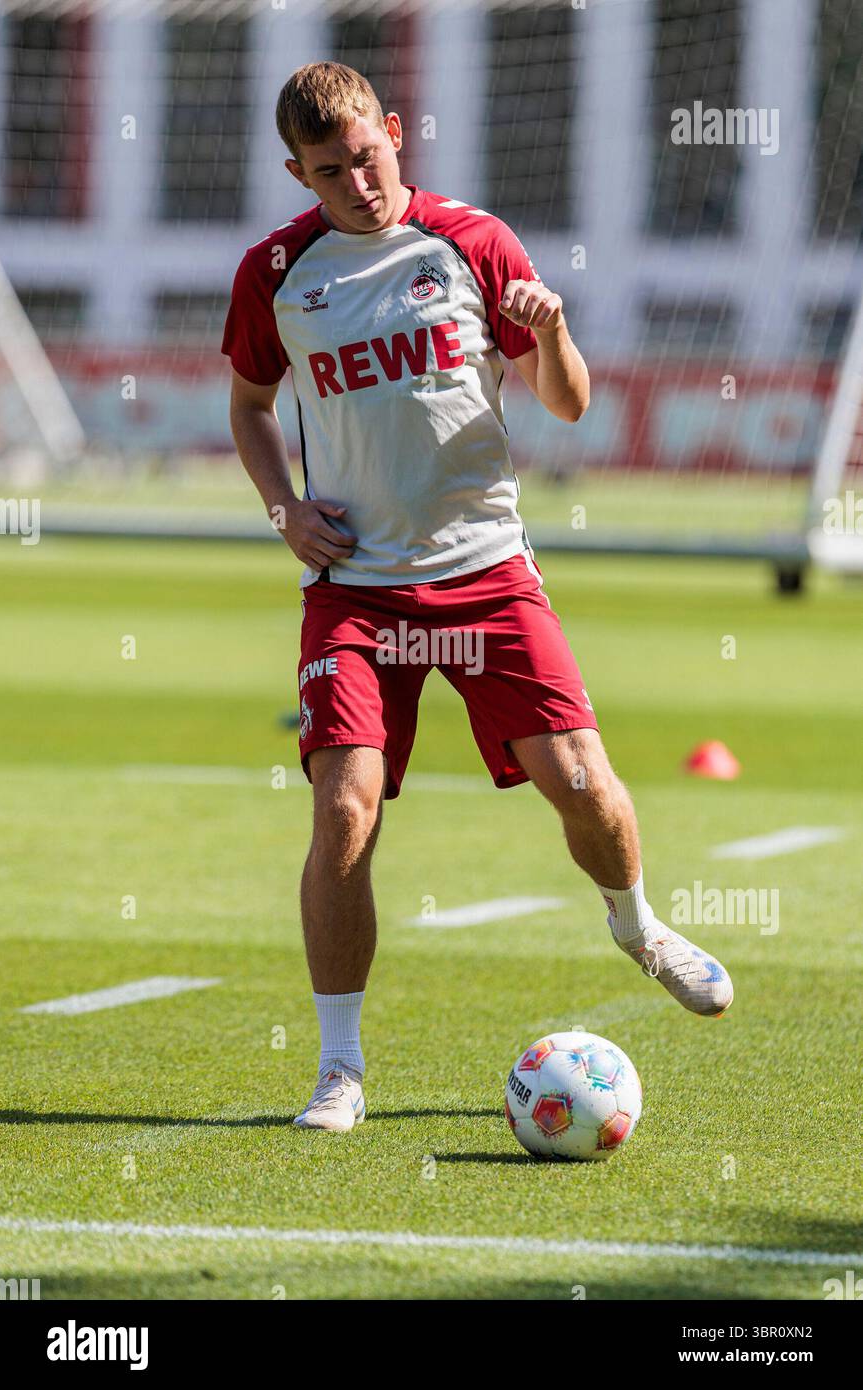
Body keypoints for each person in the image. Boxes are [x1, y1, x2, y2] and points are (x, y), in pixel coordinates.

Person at [222, 61, 733, 1133]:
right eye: (327, 170)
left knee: (584, 784)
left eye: (366, 157)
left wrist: (549, 331)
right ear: (295, 171)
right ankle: (338, 1066)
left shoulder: (473, 240)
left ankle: (636, 926)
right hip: (355, 590)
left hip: (486, 573)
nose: (355, 183)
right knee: (344, 807)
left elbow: (570, 404)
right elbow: (250, 404)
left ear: (393, 134)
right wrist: (284, 510)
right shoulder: (275, 271)